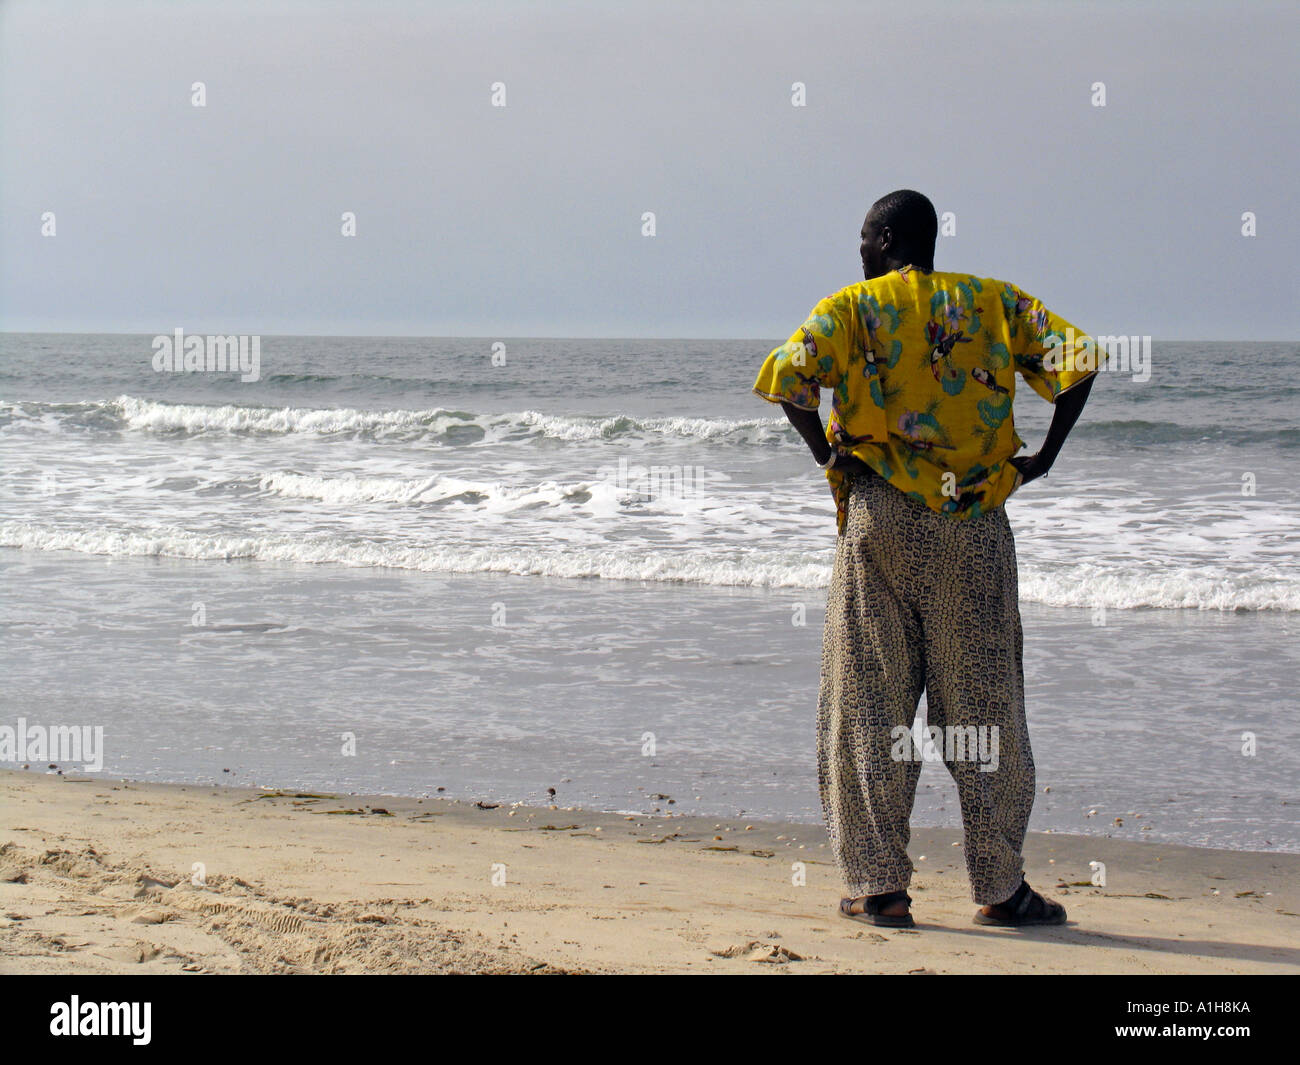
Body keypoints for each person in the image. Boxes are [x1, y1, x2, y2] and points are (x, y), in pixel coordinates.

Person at [753, 189, 1101, 928]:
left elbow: (790, 381)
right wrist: (1043, 458)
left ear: (885, 239)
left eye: (863, 238)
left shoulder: (854, 306)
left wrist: (831, 461)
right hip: (973, 525)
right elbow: (1080, 363)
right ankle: (1001, 887)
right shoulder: (994, 303)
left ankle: (880, 886)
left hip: (881, 518)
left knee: (869, 702)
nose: (859, 251)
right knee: (985, 707)